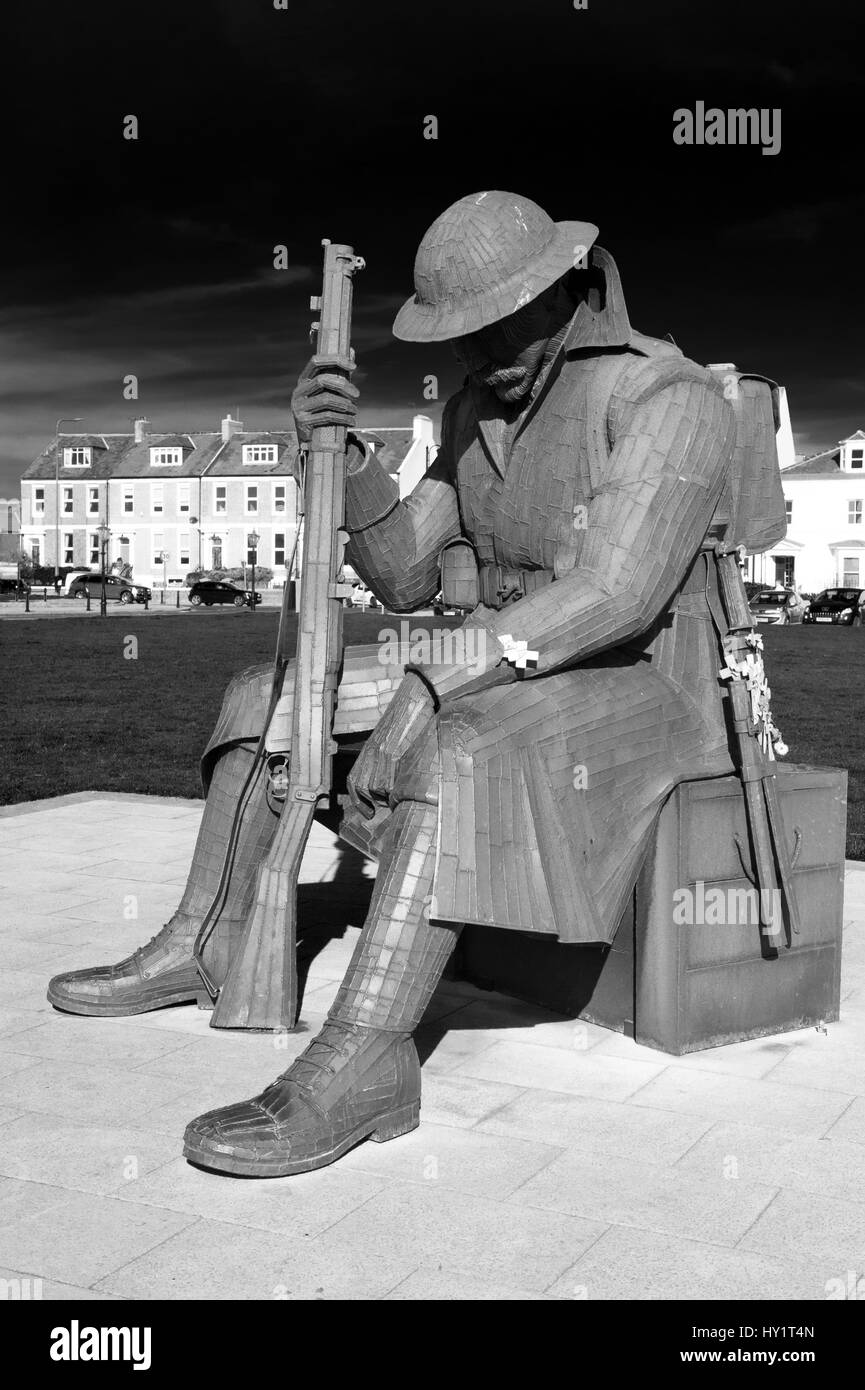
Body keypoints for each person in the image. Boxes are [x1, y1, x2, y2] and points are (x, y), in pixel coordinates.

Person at [50, 190, 784, 1177]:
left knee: (459, 748)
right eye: (466, 335)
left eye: (499, 322)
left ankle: (368, 1055)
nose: (483, 352)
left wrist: (436, 686)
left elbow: (615, 593)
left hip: (652, 687)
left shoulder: (667, 396)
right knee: (261, 695)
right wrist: (345, 457)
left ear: (567, 285)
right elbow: (404, 571)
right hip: (515, 668)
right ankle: (206, 937)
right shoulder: (478, 406)